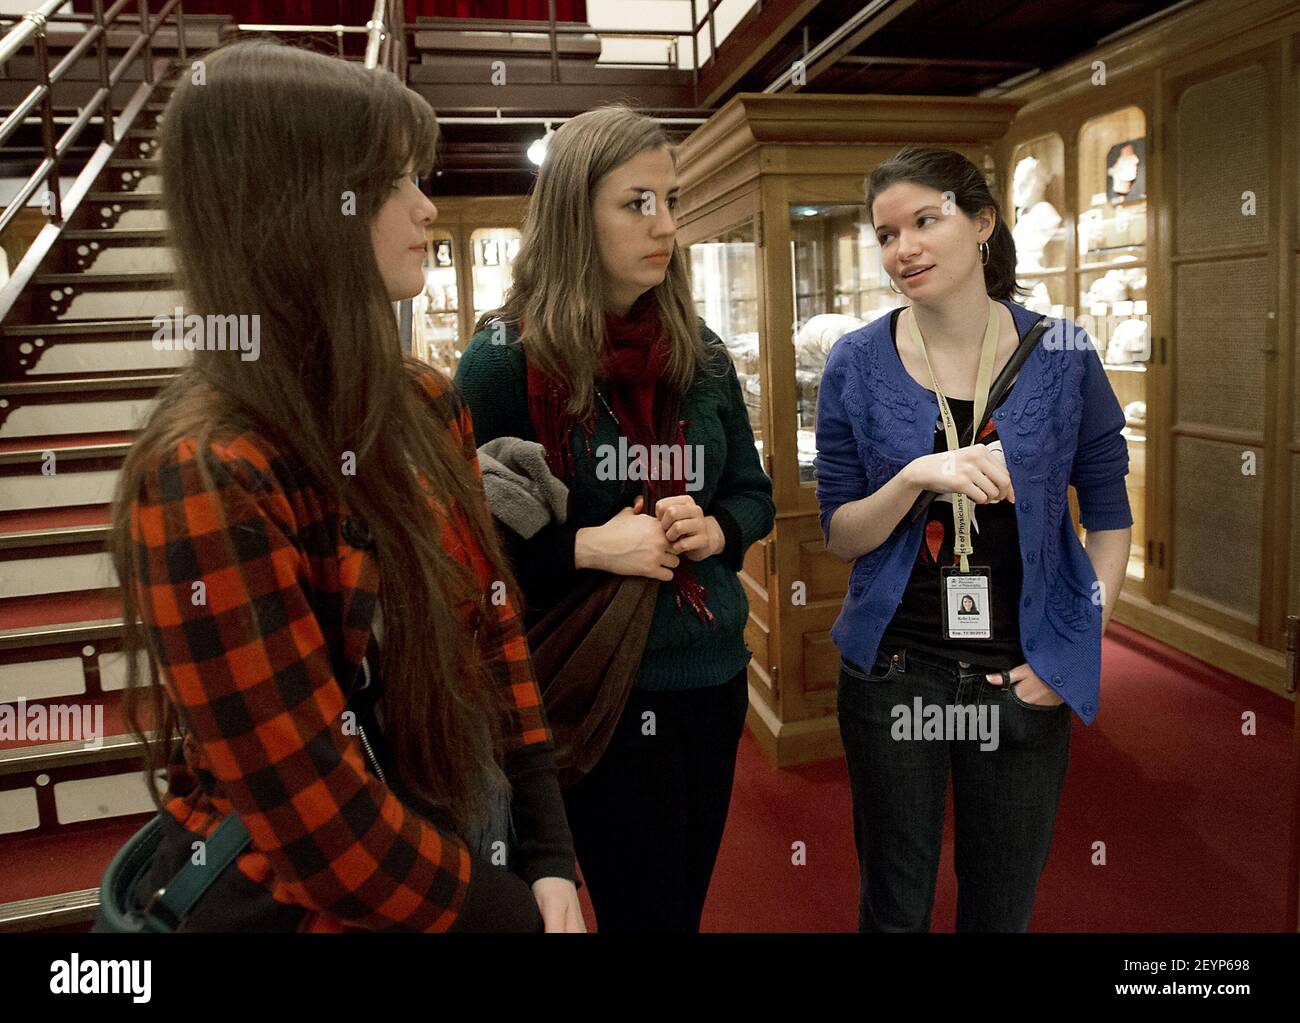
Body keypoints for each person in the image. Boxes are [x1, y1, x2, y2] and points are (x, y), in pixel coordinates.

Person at [105, 39, 582, 932]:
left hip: (468, 832)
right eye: (393, 182)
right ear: (299, 209)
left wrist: (547, 845)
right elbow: (322, 828)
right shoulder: (208, 473)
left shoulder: (424, 399)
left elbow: (492, 627)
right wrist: (507, 911)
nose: (426, 207)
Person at [454, 105, 775, 932]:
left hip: (708, 678)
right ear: (573, 212)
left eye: (671, 200)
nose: (665, 224)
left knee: (675, 909)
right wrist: (591, 545)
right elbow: (465, 558)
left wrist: (718, 532)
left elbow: (752, 492)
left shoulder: (699, 351)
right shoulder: (503, 360)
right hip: (586, 685)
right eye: (638, 202)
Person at [814, 145, 1132, 932]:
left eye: (926, 220)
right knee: (893, 908)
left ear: (982, 221)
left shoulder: (1062, 352)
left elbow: (1109, 518)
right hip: (894, 674)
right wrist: (917, 474)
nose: (904, 249)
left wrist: (1070, 651)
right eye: (887, 234)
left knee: (1001, 910)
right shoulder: (855, 360)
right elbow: (842, 533)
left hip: (1019, 675)